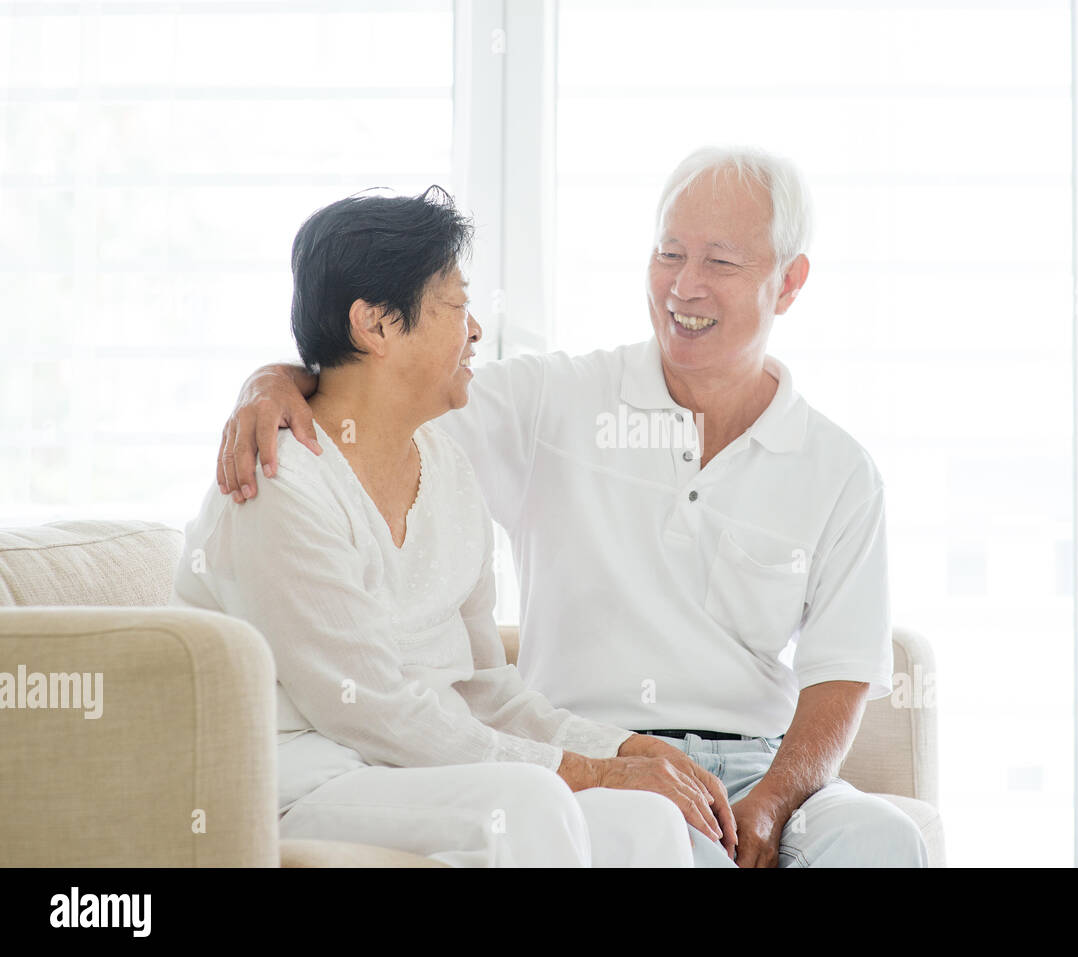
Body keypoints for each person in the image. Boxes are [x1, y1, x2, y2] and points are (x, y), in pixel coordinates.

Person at [215, 148, 929, 868]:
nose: (685, 285)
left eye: (720, 262)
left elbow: (839, 673)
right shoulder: (547, 405)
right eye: (670, 253)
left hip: (753, 763)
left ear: (789, 281)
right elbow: (372, 388)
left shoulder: (840, 470)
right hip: (578, 744)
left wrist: (770, 804)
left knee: (884, 842)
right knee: (671, 841)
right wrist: (272, 382)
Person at [173, 185, 733, 867]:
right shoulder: (281, 487)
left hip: (415, 771)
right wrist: (587, 772)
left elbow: (483, 688)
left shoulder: (449, 468)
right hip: (302, 778)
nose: (475, 329)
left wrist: (618, 749)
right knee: (532, 803)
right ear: (375, 325)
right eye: (458, 304)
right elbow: (371, 709)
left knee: (644, 818)